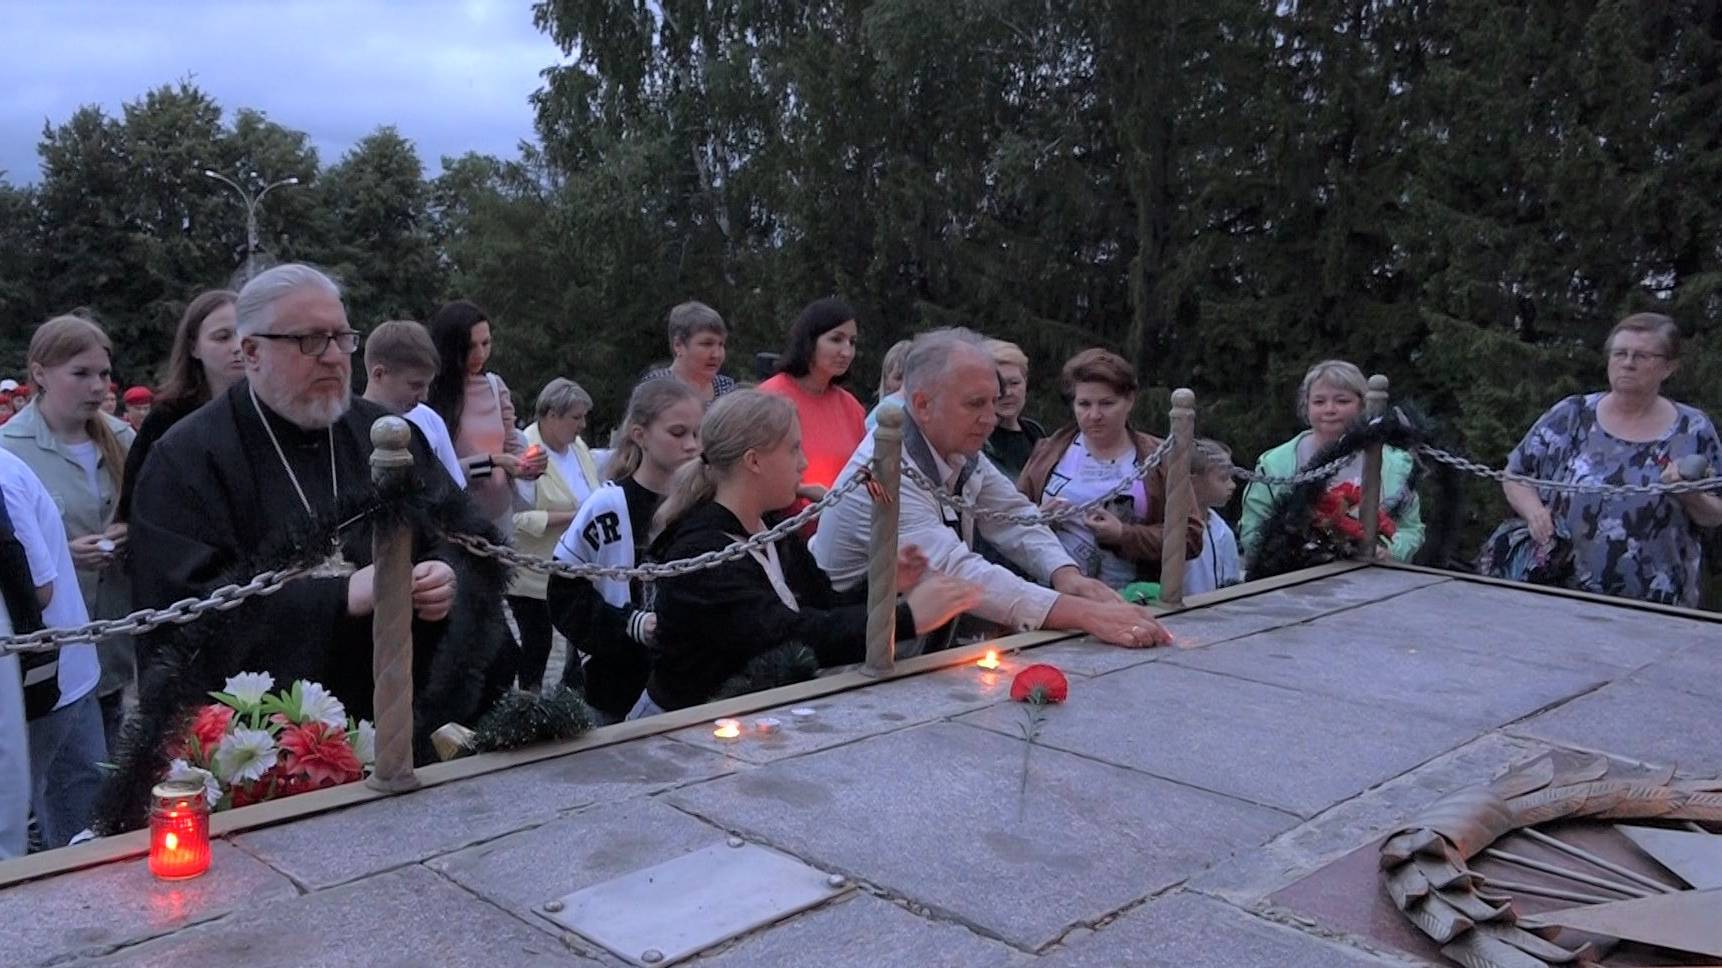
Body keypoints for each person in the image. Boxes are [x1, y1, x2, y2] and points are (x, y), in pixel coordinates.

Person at [126, 264, 513, 770]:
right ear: (252, 351)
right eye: (309, 341)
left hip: (401, 717)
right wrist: (339, 597)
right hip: (268, 749)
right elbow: (184, 616)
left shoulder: (385, 433)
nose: (333, 356)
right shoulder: (186, 458)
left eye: (341, 337)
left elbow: (461, 536)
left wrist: (446, 573)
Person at [813, 328, 1173, 649]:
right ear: (923, 405)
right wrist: (1085, 613)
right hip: (849, 661)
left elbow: (1013, 516)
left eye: (993, 401)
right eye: (975, 404)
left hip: (904, 646)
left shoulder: (954, 447)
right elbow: (958, 572)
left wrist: (1066, 575)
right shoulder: (886, 469)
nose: (990, 418)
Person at [641, 391, 980, 714]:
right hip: (682, 726)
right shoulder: (701, 552)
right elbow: (785, 634)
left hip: (744, 718)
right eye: (793, 450)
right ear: (754, 461)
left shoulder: (771, 529)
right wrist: (906, 618)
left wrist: (884, 585)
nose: (803, 463)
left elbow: (823, 606)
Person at [1491, 313, 1722, 607]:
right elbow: (1515, 474)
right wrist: (1534, 511)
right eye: (1620, 353)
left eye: (1641, 356)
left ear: (1669, 367)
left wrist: (1690, 495)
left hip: (1656, 601)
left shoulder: (1693, 429)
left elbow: (1715, 514)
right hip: (1559, 592)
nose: (1628, 363)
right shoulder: (1572, 415)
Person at [3, 316, 136, 750]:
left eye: (104, 374)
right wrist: (64, 552)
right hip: (46, 658)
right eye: (80, 374)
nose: (97, 387)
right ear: (39, 374)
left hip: (114, 644)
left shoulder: (123, 439)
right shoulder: (9, 450)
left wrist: (128, 531)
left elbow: (152, 514)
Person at [546, 379, 702, 721]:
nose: (692, 445)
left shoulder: (703, 503)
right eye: (678, 433)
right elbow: (565, 595)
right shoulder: (608, 505)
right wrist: (628, 624)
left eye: (697, 433)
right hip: (616, 691)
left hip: (689, 686)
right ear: (640, 435)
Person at [1017, 349, 1205, 589]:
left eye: (1106, 404)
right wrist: (1038, 519)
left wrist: (1124, 535)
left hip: (1134, 596)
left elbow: (1190, 537)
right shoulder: (1048, 451)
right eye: (1084, 404)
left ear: (1129, 401)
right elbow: (1009, 521)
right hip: (1052, 594)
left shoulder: (1160, 456)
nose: (1094, 415)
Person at [0, 444, 105, 849]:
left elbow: (38, 590)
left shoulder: (4, 480)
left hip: (47, 681)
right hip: (58, 670)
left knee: (71, 819)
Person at [1239, 360, 1424, 565]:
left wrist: (1390, 552)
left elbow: (1410, 529)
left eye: (1342, 401)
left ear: (1362, 405)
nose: (1330, 409)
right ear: (1306, 406)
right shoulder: (1274, 463)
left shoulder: (1397, 464)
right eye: (1319, 402)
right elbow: (1253, 531)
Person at [117, 290, 243, 522]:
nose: (238, 346)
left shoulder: (280, 411)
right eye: (223, 337)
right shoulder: (167, 418)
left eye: (245, 333)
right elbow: (136, 500)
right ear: (194, 347)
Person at [510, 378, 602, 693]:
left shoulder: (579, 448)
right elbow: (516, 517)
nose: (582, 425)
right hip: (532, 572)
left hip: (576, 566)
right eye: (576, 417)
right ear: (551, 415)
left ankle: (571, 698)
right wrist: (572, 517)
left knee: (581, 637)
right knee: (538, 643)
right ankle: (528, 704)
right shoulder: (524, 449)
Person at [426, 300, 545, 540]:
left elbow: (512, 446)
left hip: (500, 517)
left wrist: (530, 464)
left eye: (486, 343)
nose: (480, 354)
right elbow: (439, 469)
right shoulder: (430, 392)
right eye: (470, 346)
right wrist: (494, 461)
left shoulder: (494, 386)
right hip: (453, 522)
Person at [760, 297, 867, 506]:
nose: (846, 352)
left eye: (852, 342)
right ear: (809, 341)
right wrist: (802, 491)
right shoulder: (768, 398)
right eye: (836, 339)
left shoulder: (851, 407)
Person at [360, 320, 465, 488]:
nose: (424, 396)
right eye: (416, 385)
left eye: (428, 385)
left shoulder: (429, 420)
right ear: (379, 374)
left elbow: (456, 486)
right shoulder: (349, 430)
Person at [640, 301, 737, 407]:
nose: (717, 354)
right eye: (707, 344)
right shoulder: (657, 387)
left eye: (721, 344)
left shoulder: (727, 388)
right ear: (678, 345)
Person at [1182, 439, 1242, 595]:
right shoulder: (1176, 530)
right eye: (1223, 478)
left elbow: (1232, 582)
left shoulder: (1223, 531)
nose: (1232, 485)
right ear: (1193, 482)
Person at [982, 339, 1045, 481]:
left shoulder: (1035, 432)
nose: (1008, 392)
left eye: (1014, 383)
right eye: (999, 384)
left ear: (1025, 382)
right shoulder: (976, 439)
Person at [863, 338, 912, 431]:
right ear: (886, 380)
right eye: (899, 378)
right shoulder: (883, 409)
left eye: (911, 377)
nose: (904, 385)